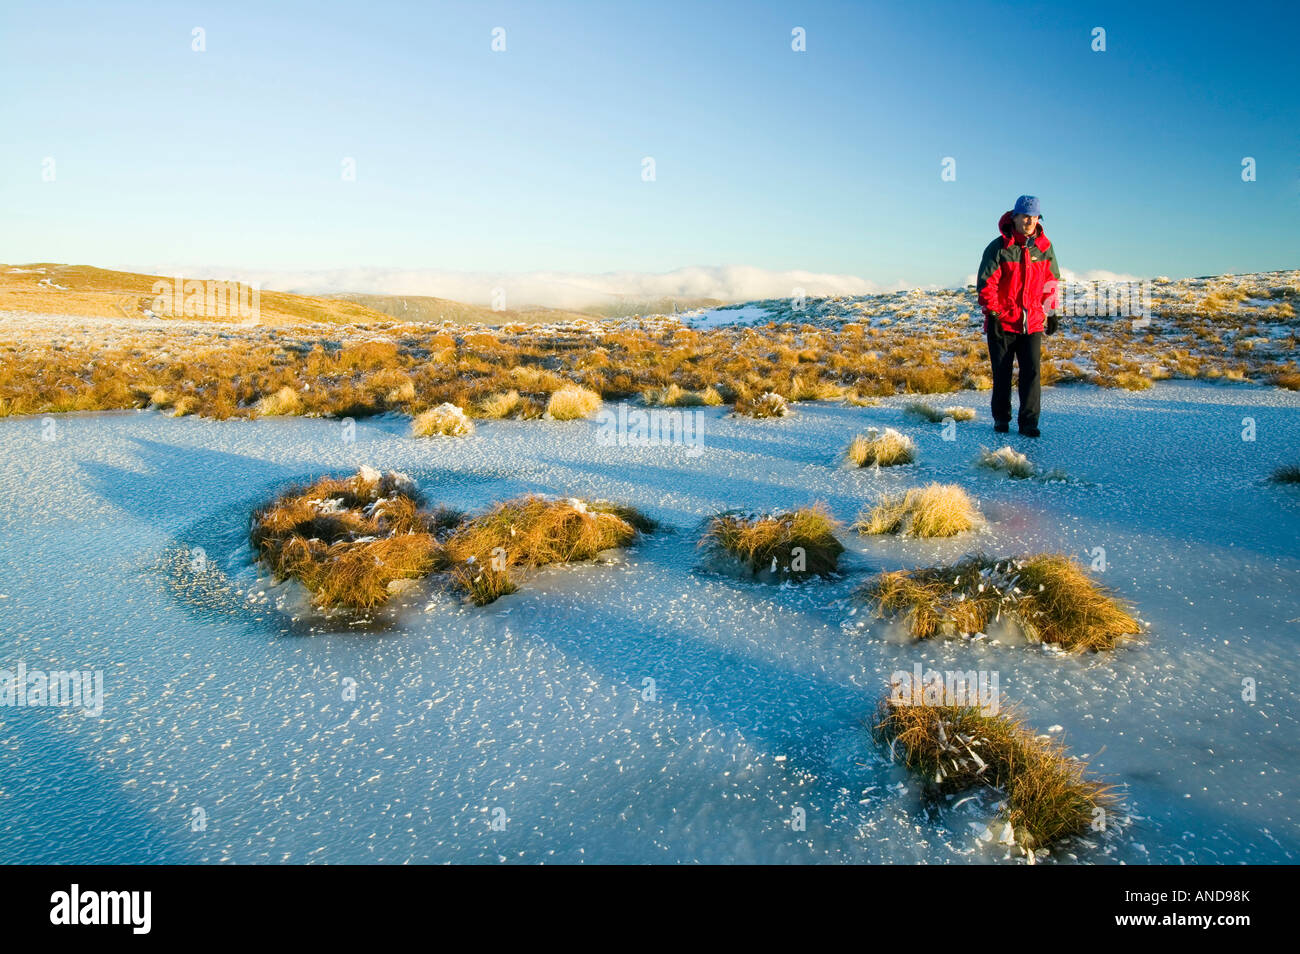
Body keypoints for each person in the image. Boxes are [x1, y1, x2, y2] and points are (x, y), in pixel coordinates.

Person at [976, 195, 1060, 437]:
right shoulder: (999, 248)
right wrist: (993, 314)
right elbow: (986, 284)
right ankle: (1002, 419)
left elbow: (1050, 282)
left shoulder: (1044, 248)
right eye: (1025, 216)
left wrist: (1051, 312)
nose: (1030, 221)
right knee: (1002, 373)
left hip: (1032, 322)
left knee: (1032, 374)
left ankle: (1029, 423)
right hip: (1002, 322)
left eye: (1034, 217)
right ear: (1014, 217)